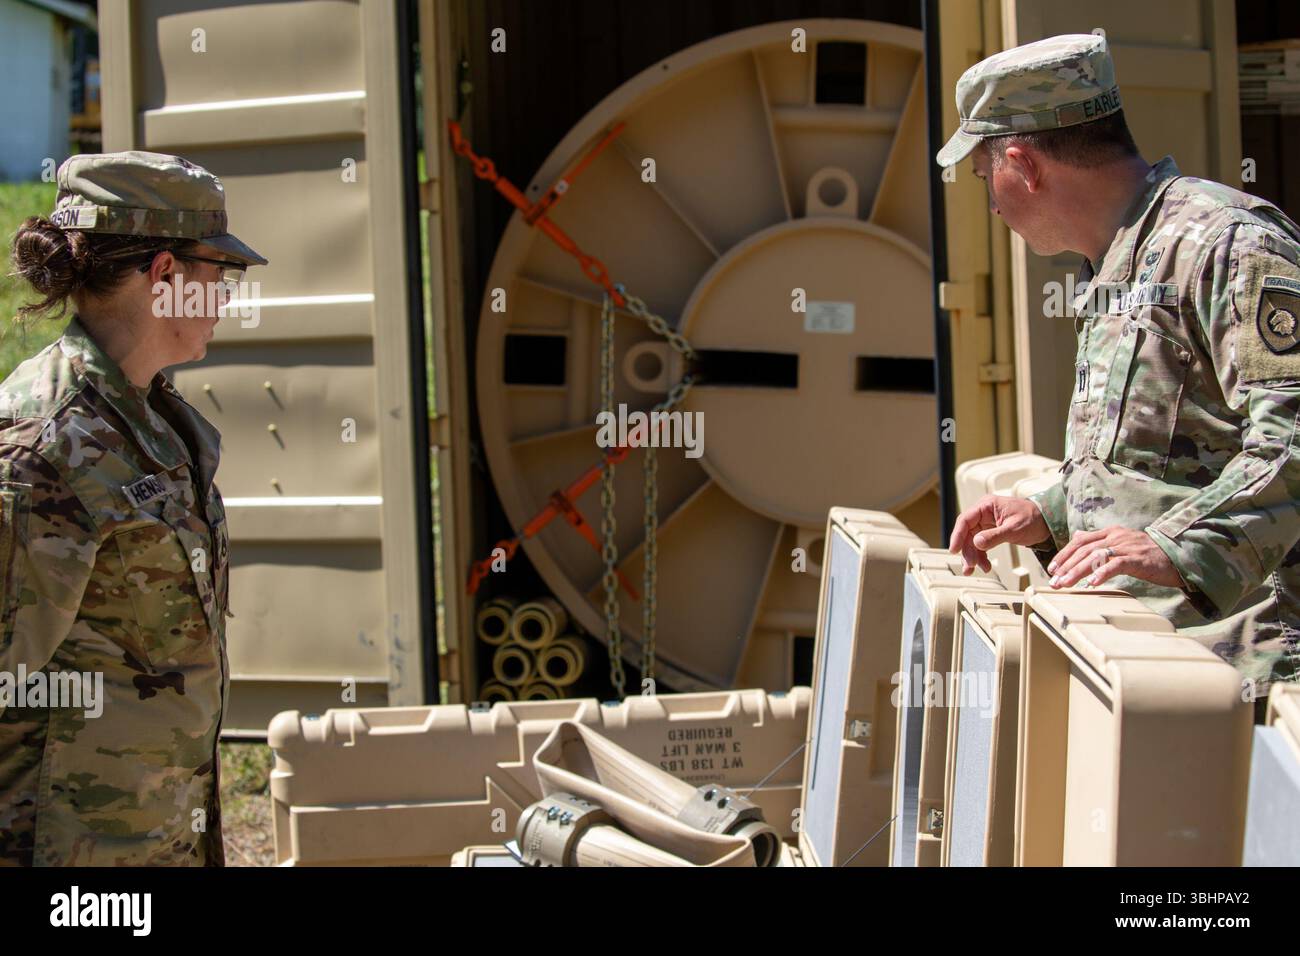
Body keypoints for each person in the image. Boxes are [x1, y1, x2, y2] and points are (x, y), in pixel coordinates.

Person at [940, 34, 1300, 716]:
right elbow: (1156, 458)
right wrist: (1049, 511)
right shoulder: (1117, 262)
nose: (991, 204)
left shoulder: (1227, 244)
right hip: (1157, 668)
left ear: (1023, 163)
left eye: (985, 177)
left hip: (1253, 676)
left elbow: (1291, 438)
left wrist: (1176, 546)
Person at [0, 151, 266, 865]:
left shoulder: (151, 418)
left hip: (156, 839)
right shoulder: (44, 449)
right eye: (221, 274)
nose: (227, 300)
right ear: (165, 275)